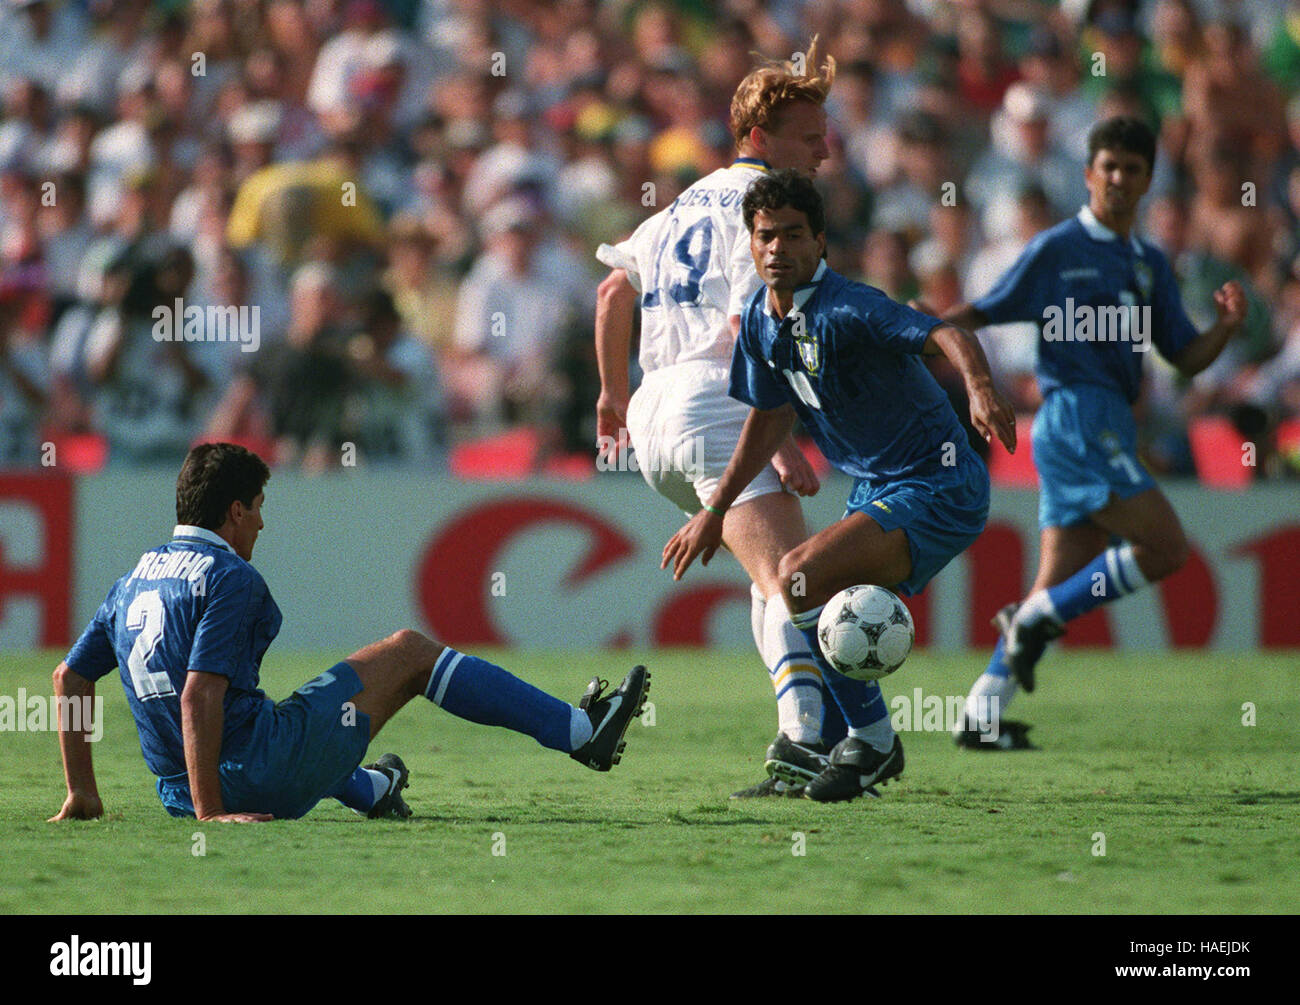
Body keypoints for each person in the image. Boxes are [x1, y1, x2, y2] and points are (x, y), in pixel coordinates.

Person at [49, 442, 649, 823]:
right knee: (410, 652)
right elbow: (199, 696)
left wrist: (83, 792)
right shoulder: (229, 575)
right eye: (257, 505)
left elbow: (69, 676)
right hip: (245, 780)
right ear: (234, 510)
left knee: (310, 716)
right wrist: (214, 815)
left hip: (176, 793)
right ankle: (581, 732)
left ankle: (373, 788)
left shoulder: (130, 581)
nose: (262, 521)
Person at [662, 170, 1016, 802]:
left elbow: (946, 332)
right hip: (875, 487)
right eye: (766, 236)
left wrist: (982, 391)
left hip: (938, 484)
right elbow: (769, 415)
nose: (778, 249)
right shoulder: (759, 322)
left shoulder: (849, 307)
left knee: (797, 577)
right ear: (751, 245)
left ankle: (875, 742)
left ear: (820, 242)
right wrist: (715, 508)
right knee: (793, 597)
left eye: (794, 235)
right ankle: (818, 753)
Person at [927, 116, 1246, 748]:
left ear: (1148, 180)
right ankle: (1034, 619)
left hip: (1111, 426)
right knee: (1166, 547)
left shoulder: (1150, 264)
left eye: (1132, 169)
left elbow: (1182, 356)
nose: (1120, 179)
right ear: (1088, 174)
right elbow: (983, 311)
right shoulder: (1057, 250)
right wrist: (918, 332)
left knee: (1060, 578)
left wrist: (1226, 327)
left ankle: (980, 717)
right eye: (1109, 167)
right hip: (1073, 418)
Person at [594, 39, 837, 799]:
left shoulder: (677, 204)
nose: (825, 149)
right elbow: (747, 325)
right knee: (787, 580)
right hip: (715, 399)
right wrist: (781, 427)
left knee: (778, 581)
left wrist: (609, 396)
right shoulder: (769, 213)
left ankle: (827, 735)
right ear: (762, 140)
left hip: (652, 412)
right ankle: (803, 738)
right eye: (809, 137)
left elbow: (610, 295)